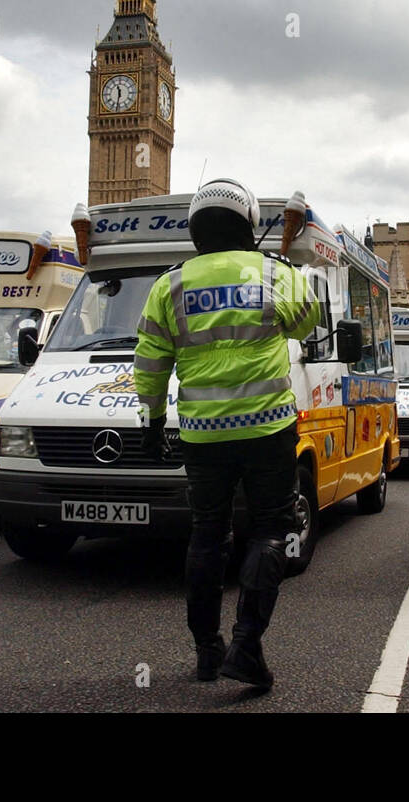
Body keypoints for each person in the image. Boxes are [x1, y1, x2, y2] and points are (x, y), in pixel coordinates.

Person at [133, 178, 320, 690]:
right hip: (267, 429)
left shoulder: (168, 285)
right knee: (272, 529)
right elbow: (309, 322)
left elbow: (149, 363)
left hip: (202, 435)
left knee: (207, 536)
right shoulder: (272, 273)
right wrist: (285, 270)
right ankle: (247, 645)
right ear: (247, 225)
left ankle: (207, 652)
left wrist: (150, 421)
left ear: (196, 230)